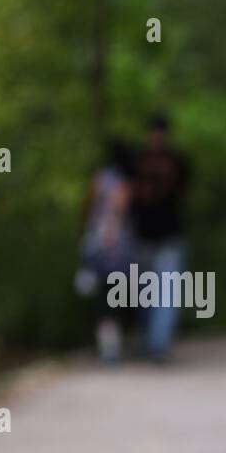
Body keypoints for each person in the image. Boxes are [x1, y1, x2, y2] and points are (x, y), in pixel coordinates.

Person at [130, 114, 191, 362]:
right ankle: (149, 341)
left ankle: (158, 346)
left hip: (170, 237)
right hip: (142, 237)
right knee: (143, 295)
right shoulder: (136, 160)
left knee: (166, 293)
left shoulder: (178, 161)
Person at [77, 140, 133, 363]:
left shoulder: (100, 178)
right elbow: (117, 211)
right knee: (114, 299)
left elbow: (88, 207)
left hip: (97, 244)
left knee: (105, 298)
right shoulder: (123, 182)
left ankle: (108, 346)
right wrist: (109, 233)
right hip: (115, 249)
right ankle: (111, 347)